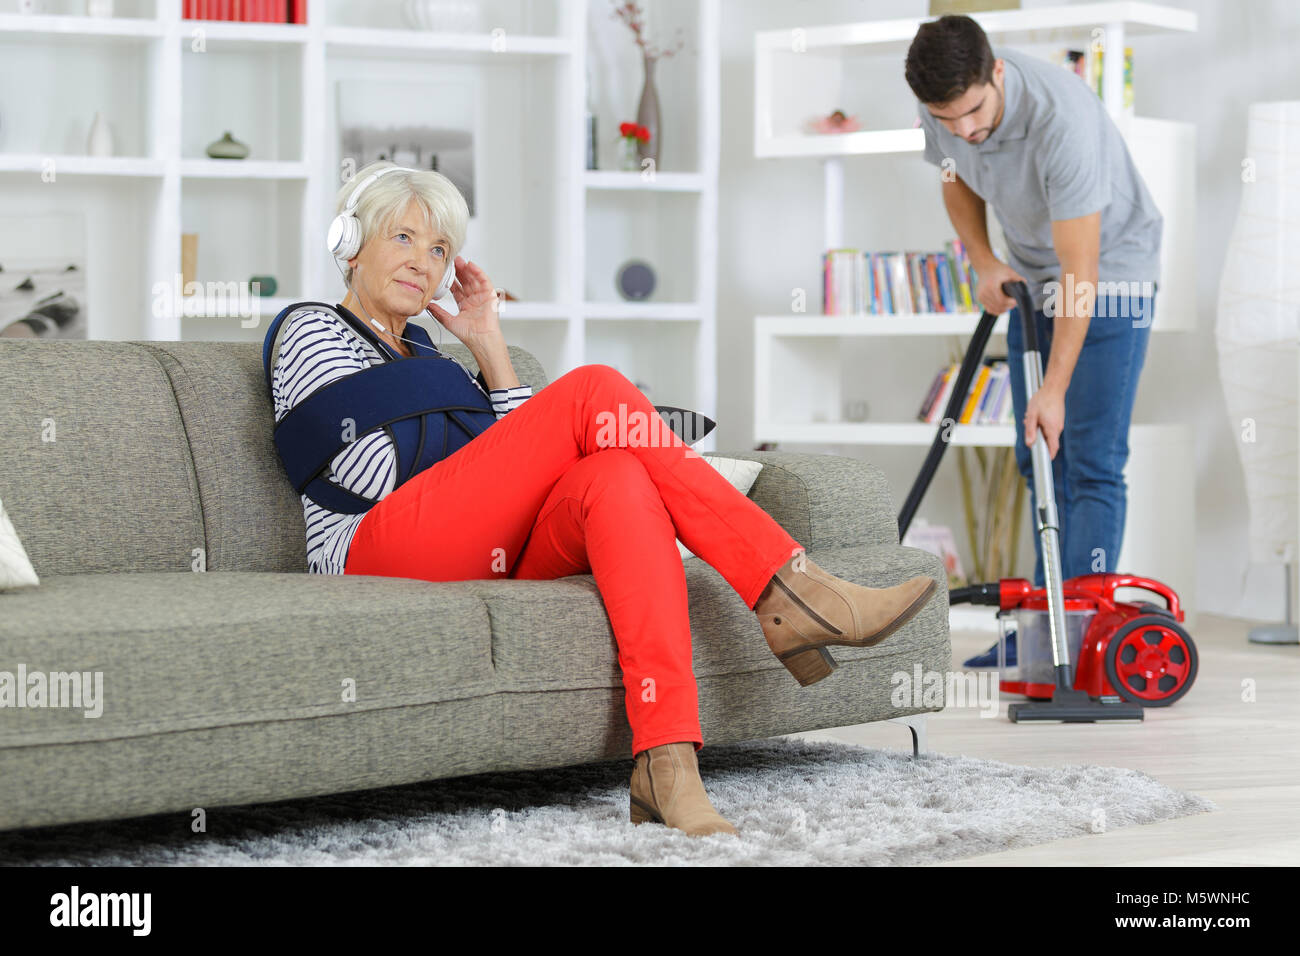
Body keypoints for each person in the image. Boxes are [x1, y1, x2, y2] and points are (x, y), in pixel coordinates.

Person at [268, 161, 939, 836]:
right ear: (349, 242)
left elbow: (499, 469)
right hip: (372, 550)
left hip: (471, 548)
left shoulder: (431, 357)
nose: (424, 261)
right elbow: (371, 469)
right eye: (404, 238)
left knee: (618, 477)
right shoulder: (311, 328)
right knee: (593, 392)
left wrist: (488, 346)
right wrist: (484, 457)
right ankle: (795, 592)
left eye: (439, 249)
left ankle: (666, 766)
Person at [905, 16, 1161, 666]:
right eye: (946, 118)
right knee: (1036, 459)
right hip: (1031, 277)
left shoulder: (1060, 119)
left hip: (1110, 275)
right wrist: (985, 261)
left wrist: (1054, 390)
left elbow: (1083, 272)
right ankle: (1049, 623)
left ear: (996, 72)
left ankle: (1082, 632)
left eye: (972, 112)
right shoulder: (945, 106)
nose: (963, 129)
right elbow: (951, 175)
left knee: (1090, 461)